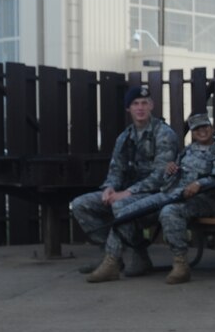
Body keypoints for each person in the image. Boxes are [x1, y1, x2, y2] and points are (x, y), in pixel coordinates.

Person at [73, 85, 180, 282]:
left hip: (157, 195)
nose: (140, 108)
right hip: (129, 193)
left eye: (144, 103)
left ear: (152, 106)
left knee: (120, 205)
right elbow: (116, 170)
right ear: (128, 108)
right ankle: (118, 254)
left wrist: (127, 192)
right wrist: (109, 188)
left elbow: (160, 176)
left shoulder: (164, 134)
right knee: (80, 205)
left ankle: (113, 262)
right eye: (135, 104)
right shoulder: (124, 137)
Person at [148, 110, 215, 285]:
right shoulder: (187, 151)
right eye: (196, 129)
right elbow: (172, 178)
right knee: (141, 209)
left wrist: (199, 184)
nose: (201, 132)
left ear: (211, 128)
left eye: (205, 127)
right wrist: (171, 171)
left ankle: (180, 264)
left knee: (169, 212)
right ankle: (129, 256)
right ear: (192, 133)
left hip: (202, 201)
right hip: (176, 195)